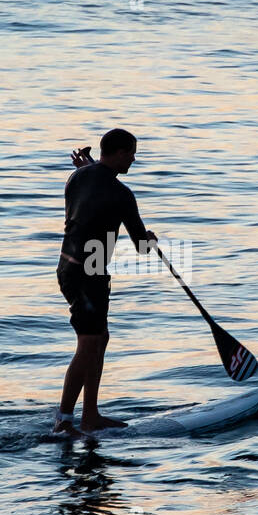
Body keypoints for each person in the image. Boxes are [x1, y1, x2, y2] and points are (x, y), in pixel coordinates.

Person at [53, 129, 158, 434]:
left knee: (100, 338)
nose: (134, 159)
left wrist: (86, 166)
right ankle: (64, 421)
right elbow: (141, 246)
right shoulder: (122, 195)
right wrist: (150, 239)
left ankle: (91, 415)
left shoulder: (77, 177)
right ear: (119, 152)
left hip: (69, 269)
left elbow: (91, 178)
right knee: (88, 344)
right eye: (131, 153)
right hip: (88, 276)